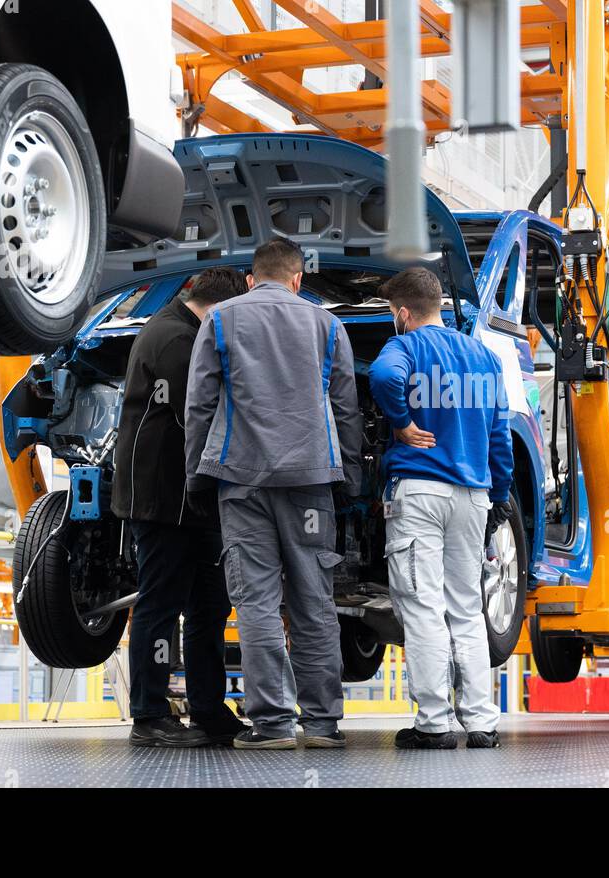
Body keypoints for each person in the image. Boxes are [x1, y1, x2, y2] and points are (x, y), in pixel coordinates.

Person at [185, 237, 362, 750]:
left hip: (241, 481)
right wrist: (349, 475)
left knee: (257, 602)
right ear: (298, 278)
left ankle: (272, 725)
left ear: (249, 279)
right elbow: (346, 408)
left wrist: (198, 475)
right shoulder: (328, 324)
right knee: (313, 599)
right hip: (311, 481)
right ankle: (323, 724)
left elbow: (200, 405)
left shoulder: (221, 321)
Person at [368, 266, 514, 750]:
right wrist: (497, 493)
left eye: (393, 313)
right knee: (467, 607)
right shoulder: (484, 358)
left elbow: (384, 376)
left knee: (423, 607)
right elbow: (500, 436)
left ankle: (433, 724)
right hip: (473, 494)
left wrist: (402, 423)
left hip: (420, 492)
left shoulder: (404, 348)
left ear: (403, 312)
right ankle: (481, 723)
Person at [113, 266, 249, 748]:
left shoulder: (185, 330)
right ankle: (149, 715)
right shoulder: (175, 339)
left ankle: (209, 710)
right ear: (222, 308)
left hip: (193, 500)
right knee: (161, 604)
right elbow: (199, 417)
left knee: (210, 605)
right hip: (162, 499)